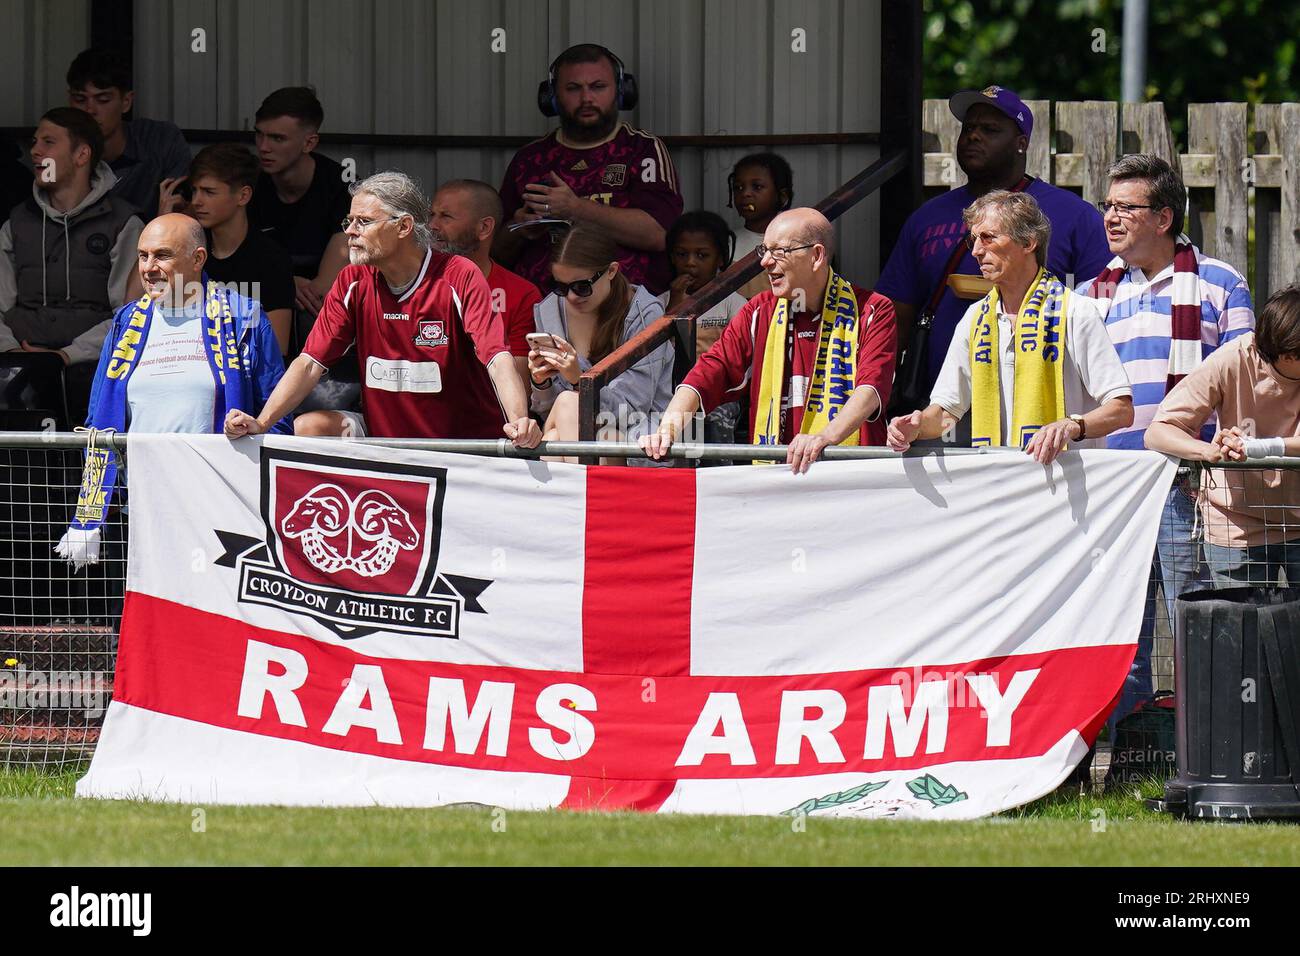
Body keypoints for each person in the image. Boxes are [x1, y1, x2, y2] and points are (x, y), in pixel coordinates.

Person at [1079, 153, 1255, 723]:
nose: (1110, 217)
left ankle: (1201, 754)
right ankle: (1122, 759)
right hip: (1112, 484)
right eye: (1107, 206)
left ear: (1163, 217)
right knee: (1119, 621)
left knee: (1191, 618)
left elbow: (1248, 378)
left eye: (1125, 207)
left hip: (1188, 480)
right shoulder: (1088, 296)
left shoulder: (1220, 283)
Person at [223, 171, 539, 448]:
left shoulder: (458, 275)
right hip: (384, 442)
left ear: (403, 227)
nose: (350, 231)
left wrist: (519, 421)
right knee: (307, 427)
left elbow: (497, 358)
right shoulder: (352, 280)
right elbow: (308, 364)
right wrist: (262, 423)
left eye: (364, 222)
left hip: (462, 446)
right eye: (349, 221)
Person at [56, 213, 288, 568]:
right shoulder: (125, 321)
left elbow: (278, 415)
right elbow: (98, 422)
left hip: (219, 507)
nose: (148, 267)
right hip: (137, 508)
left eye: (162, 255)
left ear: (197, 259)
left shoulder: (246, 316)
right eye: (142, 255)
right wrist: (90, 511)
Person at [876, 86, 1111, 413]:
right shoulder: (926, 219)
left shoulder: (1073, 216)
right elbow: (894, 316)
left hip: (1044, 403)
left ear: (1021, 143)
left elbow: (1104, 308)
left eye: (989, 130)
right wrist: (878, 392)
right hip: (942, 405)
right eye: (968, 128)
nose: (973, 136)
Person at [641, 208, 897, 473]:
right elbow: (709, 370)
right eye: (764, 250)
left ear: (816, 256)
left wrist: (824, 438)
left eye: (779, 252)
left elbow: (869, 390)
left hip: (853, 479)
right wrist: (667, 429)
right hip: (778, 479)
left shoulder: (874, 309)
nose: (765, 262)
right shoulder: (759, 310)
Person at [887, 190, 1133, 462]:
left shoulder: (1076, 311)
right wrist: (916, 427)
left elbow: (1121, 410)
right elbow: (946, 413)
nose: (977, 251)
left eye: (988, 238)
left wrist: (1072, 425)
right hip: (1004, 488)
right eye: (974, 240)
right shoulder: (975, 318)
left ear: (1028, 242)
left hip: (1070, 492)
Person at [495, 43, 683, 295]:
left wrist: (575, 208)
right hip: (541, 308)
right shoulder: (529, 158)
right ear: (552, 96)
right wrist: (521, 229)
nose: (586, 98)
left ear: (621, 91)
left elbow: (660, 234)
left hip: (627, 308)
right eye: (573, 88)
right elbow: (494, 250)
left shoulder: (642, 149)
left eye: (598, 86)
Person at [1146, 286, 1300, 587]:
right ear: (1287, 352)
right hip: (1236, 524)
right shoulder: (1233, 358)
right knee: (1241, 632)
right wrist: (1208, 451)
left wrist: (1254, 448)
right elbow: (1159, 431)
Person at [0, 108, 144, 424]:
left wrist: (66, 356)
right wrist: (13, 357)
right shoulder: (15, 223)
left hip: (94, 371)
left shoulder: (124, 223)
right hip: (15, 374)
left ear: (81, 155)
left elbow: (130, 316)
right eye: (35, 141)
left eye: (49, 142)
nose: (35, 150)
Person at [528, 223, 672, 460]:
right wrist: (541, 383)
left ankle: (577, 495)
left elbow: (633, 410)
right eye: (561, 287)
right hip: (571, 431)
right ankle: (584, 494)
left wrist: (579, 380)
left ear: (612, 271)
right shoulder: (549, 310)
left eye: (582, 287)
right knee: (559, 423)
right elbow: (546, 409)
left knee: (573, 423)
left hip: (638, 438)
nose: (572, 296)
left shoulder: (645, 314)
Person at [159, 143, 295, 356]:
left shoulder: (270, 259)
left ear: (243, 196)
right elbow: (135, 305)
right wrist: (162, 231)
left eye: (209, 192)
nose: (196, 201)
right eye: (194, 190)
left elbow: (276, 347)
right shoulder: (187, 253)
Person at [247, 87, 351, 330]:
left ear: (309, 143)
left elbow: (322, 289)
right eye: (259, 135)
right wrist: (285, 282)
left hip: (316, 308)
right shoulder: (246, 185)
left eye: (277, 138)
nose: (263, 147)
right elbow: (235, 264)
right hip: (262, 296)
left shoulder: (341, 188)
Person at [429, 179, 542, 393]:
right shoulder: (411, 283)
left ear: (484, 227)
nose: (432, 225)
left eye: (445, 216)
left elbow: (518, 386)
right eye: (431, 215)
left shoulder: (521, 294)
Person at [66, 48, 191, 221]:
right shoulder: (59, 150)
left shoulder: (159, 140)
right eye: (80, 99)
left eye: (103, 100)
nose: (90, 110)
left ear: (126, 102)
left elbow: (184, 211)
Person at [659, 210, 749, 447]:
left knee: (714, 422)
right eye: (682, 254)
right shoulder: (659, 302)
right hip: (667, 394)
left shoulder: (732, 302)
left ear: (720, 258)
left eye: (702, 255)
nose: (690, 262)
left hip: (720, 395)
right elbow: (654, 354)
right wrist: (675, 305)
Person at [728, 152, 794, 300]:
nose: (745, 193)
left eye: (757, 187)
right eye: (738, 187)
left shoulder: (797, 241)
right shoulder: (726, 243)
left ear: (782, 196)